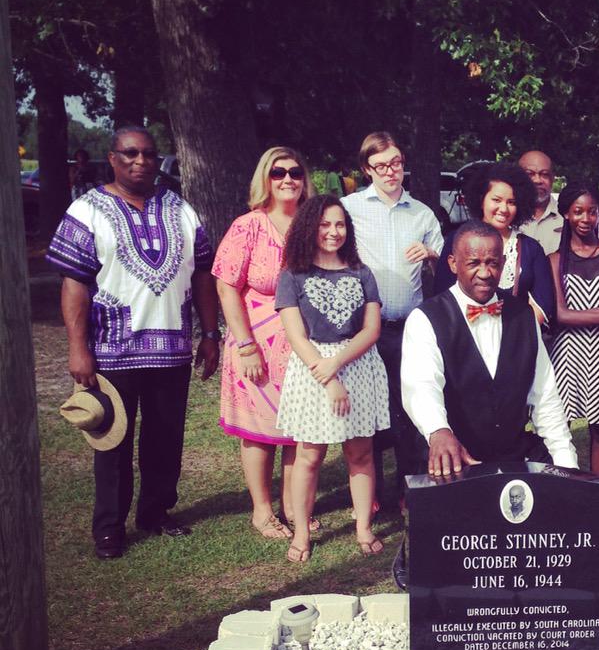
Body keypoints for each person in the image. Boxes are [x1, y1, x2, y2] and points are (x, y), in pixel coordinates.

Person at [47, 126, 220, 559]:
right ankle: (109, 528)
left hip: (172, 350)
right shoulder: (87, 210)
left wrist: (210, 333)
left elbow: (203, 273)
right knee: (112, 443)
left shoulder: (180, 209)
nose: (140, 161)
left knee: (166, 439)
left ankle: (155, 512)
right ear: (112, 158)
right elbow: (74, 284)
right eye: (130, 153)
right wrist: (77, 348)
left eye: (148, 154)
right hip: (112, 351)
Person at [401, 222, 577, 475]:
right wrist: (438, 430)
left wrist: (567, 467)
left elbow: (545, 397)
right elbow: (421, 386)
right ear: (453, 264)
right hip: (451, 462)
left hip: (512, 460)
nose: (484, 273)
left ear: (503, 263)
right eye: (474, 263)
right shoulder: (425, 318)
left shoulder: (524, 316)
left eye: (492, 263)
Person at [275, 195, 390, 562]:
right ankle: (302, 532)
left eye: (340, 224)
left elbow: (371, 330)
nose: (333, 231)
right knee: (309, 455)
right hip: (313, 369)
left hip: (357, 365)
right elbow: (296, 336)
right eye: (324, 224)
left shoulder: (361, 272)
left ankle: (363, 527)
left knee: (360, 452)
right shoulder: (292, 275)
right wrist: (327, 376)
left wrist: (337, 363)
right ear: (309, 227)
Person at [213, 146, 309, 539]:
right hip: (256, 344)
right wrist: (246, 345)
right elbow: (226, 286)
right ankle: (262, 510)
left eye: (295, 172)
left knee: (298, 427)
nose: (287, 179)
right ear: (265, 179)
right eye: (278, 172)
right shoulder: (248, 226)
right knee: (259, 429)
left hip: (302, 344)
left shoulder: (311, 224)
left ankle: (293, 505)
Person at [343, 132, 444, 507]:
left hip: (408, 329)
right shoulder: (349, 209)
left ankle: (408, 489)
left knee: (410, 409)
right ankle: (369, 493)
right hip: (363, 330)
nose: (390, 171)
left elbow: (448, 266)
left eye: (396, 162)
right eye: (381, 165)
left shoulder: (422, 213)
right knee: (366, 411)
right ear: (367, 169)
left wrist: (431, 253)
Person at [548, 183, 599, 473]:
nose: (585, 218)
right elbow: (559, 315)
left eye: (592, 212)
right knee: (559, 428)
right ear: (566, 214)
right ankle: (560, 488)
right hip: (565, 355)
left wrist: (580, 315)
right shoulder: (554, 260)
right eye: (578, 211)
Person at [433, 161, 555, 324]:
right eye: (496, 200)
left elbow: (543, 304)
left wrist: (511, 333)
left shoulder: (531, 248)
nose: (504, 209)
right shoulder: (457, 241)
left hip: (516, 335)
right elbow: (442, 296)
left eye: (511, 202)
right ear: (481, 199)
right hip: (463, 333)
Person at [518, 150, 563, 255]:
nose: (537, 180)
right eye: (530, 174)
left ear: (552, 178)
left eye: (544, 174)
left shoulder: (567, 218)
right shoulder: (507, 216)